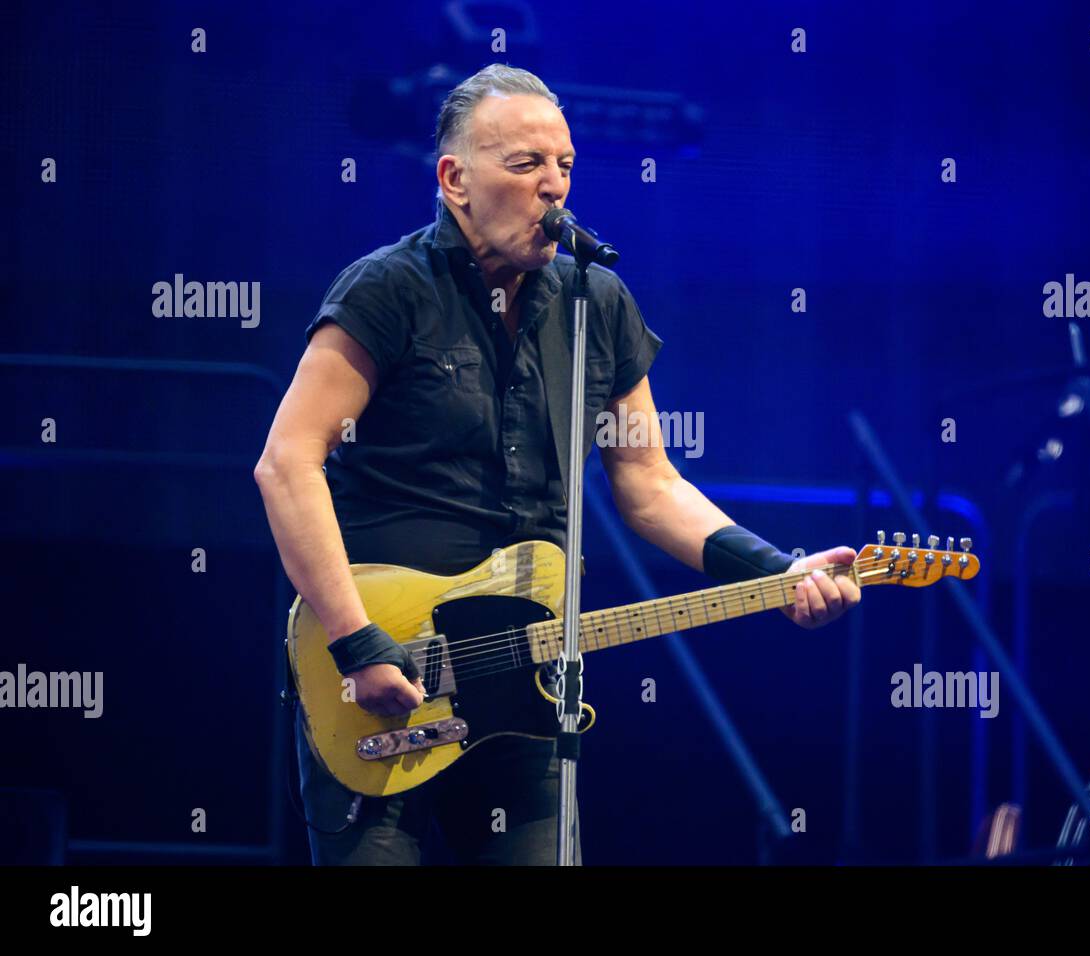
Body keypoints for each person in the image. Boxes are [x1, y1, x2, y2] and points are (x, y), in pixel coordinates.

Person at [254, 64, 861, 866]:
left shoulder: (597, 304)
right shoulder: (388, 290)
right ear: (455, 179)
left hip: (530, 683)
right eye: (526, 165)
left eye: (565, 166)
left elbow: (649, 486)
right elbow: (287, 463)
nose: (554, 187)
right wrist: (356, 642)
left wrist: (776, 569)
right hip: (386, 679)